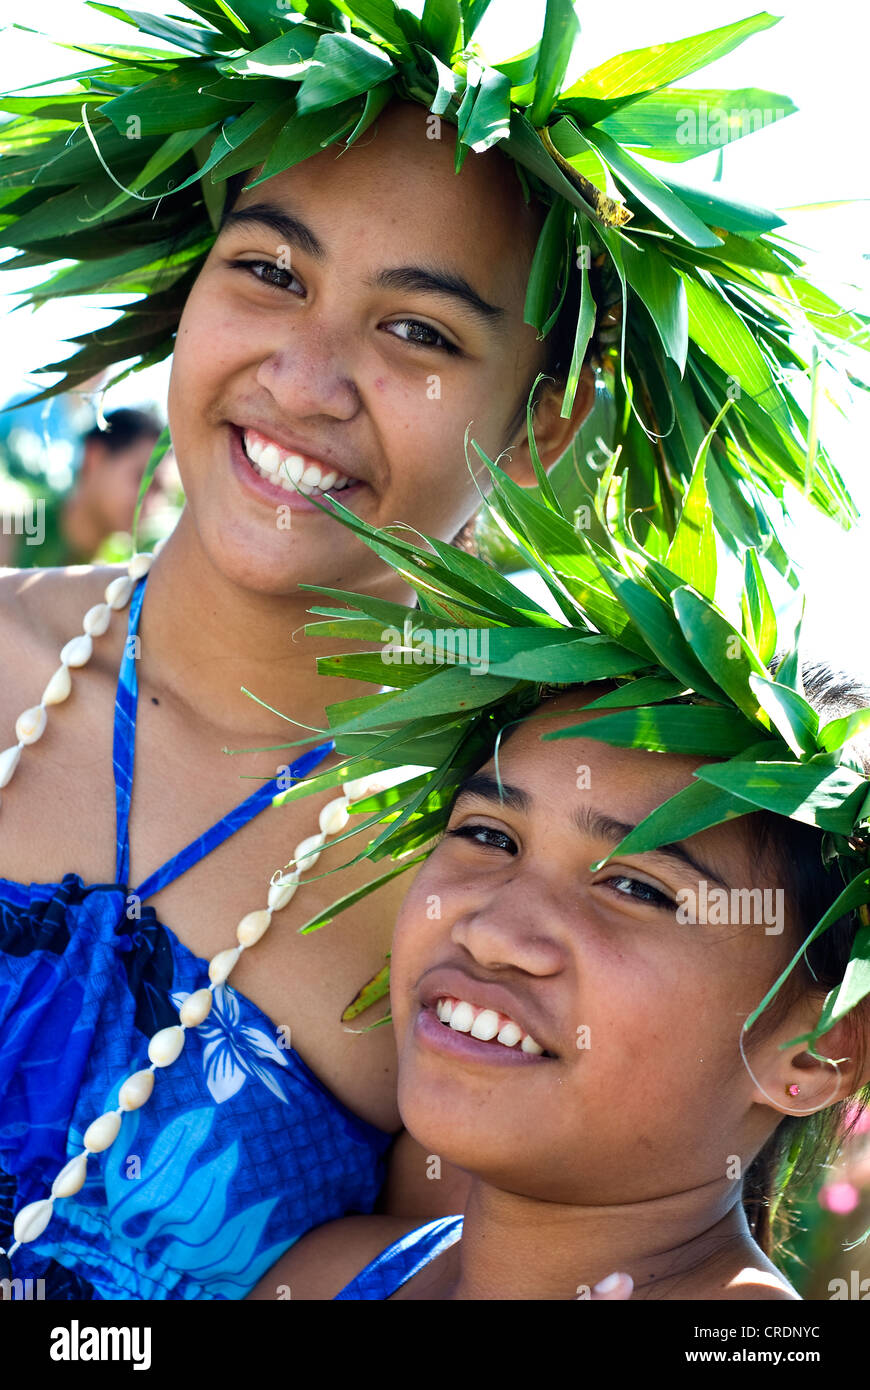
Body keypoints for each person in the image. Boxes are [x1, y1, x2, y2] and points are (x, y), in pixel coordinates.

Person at [0, 2, 863, 1302]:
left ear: (539, 425)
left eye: (419, 332)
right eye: (269, 271)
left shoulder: (457, 887)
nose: (303, 376)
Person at [247, 669, 870, 1299]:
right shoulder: (329, 1274)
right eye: (488, 835)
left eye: (635, 888)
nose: (494, 934)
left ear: (818, 1051)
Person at [0, 408, 164, 570]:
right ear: (94, 458)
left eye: (158, 490)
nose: (148, 502)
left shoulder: (124, 571)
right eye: (141, 478)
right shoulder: (14, 528)